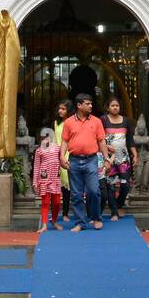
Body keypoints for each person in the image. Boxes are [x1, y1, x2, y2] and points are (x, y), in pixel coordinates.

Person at [60, 93, 106, 231]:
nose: (91, 106)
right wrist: (62, 157)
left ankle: (96, 217)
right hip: (73, 160)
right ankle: (80, 222)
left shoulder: (97, 121)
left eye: (91, 103)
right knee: (76, 194)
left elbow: (101, 140)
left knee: (93, 190)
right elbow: (65, 141)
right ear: (79, 105)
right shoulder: (68, 122)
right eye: (87, 103)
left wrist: (106, 158)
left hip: (91, 160)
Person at [100, 95, 136, 219]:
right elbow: (99, 138)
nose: (115, 108)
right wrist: (106, 147)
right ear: (108, 108)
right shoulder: (103, 120)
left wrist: (135, 155)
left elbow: (130, 140)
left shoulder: (126, 121)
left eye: (117, 106)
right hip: (109, 158)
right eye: (113, 106)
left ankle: (119, 204)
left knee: (125, 185)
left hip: (124, 159)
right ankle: (114, 212)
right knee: (110, 185)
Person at [33, 127, 63, 232]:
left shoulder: (57, 148)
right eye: (44, 137)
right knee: (45, 202)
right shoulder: (39, 151)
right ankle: (44, 225)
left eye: (48, 136)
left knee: (57, 202)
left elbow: (63, 159)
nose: (46, 139)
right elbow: (36, 166)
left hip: (56, 179)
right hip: (44, 179)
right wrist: (35, 182)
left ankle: (54, 221)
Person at [52, 99, 70, 206]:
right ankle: (61, 212)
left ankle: (66, 212)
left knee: (68, 182)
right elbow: (54, 138)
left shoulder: (72, 122)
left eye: (63, 109)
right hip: (57, 154)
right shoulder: (56, 123)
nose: (60, 111)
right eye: (59, 108)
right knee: (60, 184)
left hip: (69, 153)